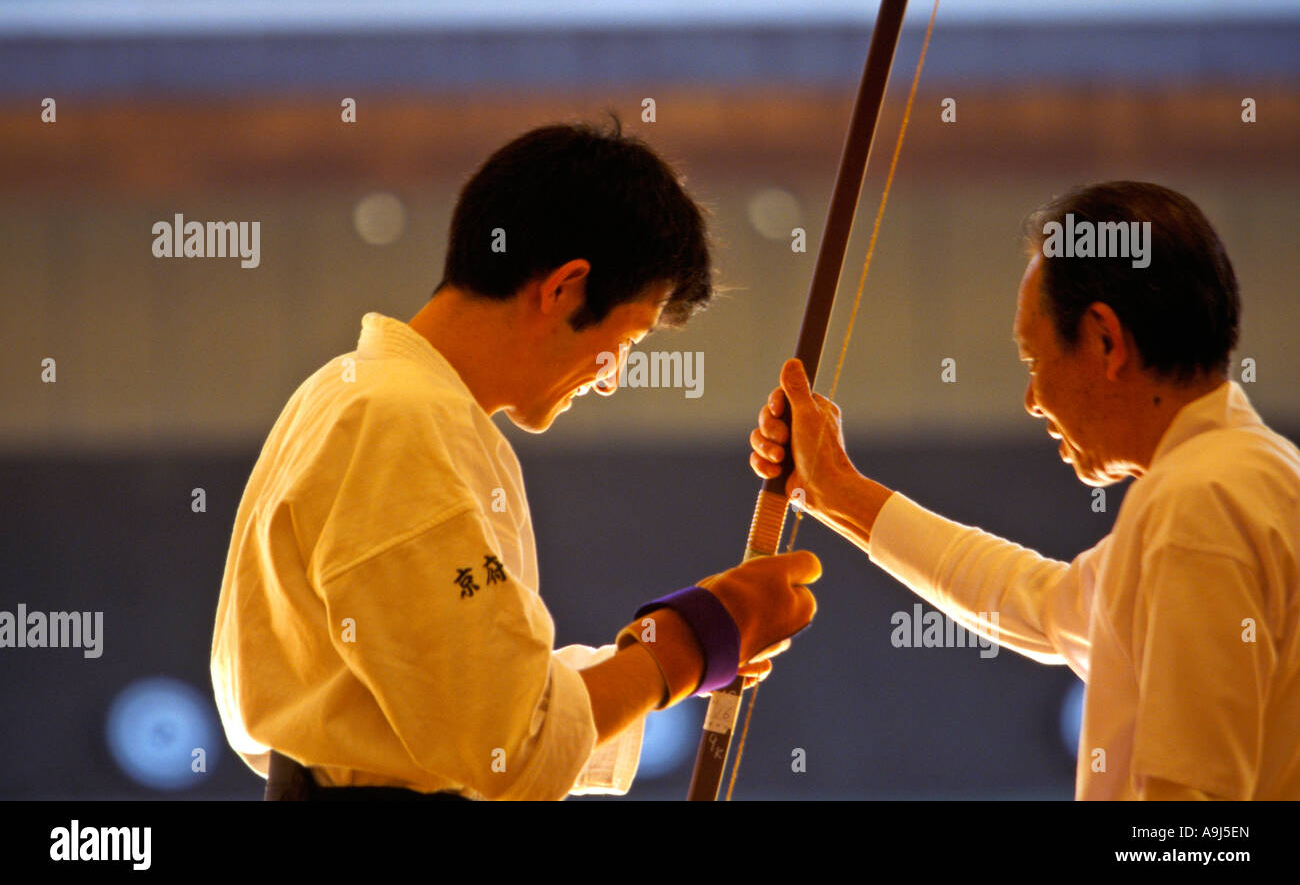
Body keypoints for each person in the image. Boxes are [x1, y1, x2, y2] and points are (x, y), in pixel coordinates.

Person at [211, 120, 820, 801]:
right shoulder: (398, 420)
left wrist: (680, 649)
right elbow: (510, 748)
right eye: (625, 341)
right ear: (565, 289)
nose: (609, 378)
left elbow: (463, 711)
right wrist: (689, 643)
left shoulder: (359, 395)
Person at [749, 181, 1299, 800]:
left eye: (1034, 363)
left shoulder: (1201, 502)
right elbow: (1038, 605)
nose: (1033, 400)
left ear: (1104, 340)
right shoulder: (1248, 475)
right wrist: (836, 490)